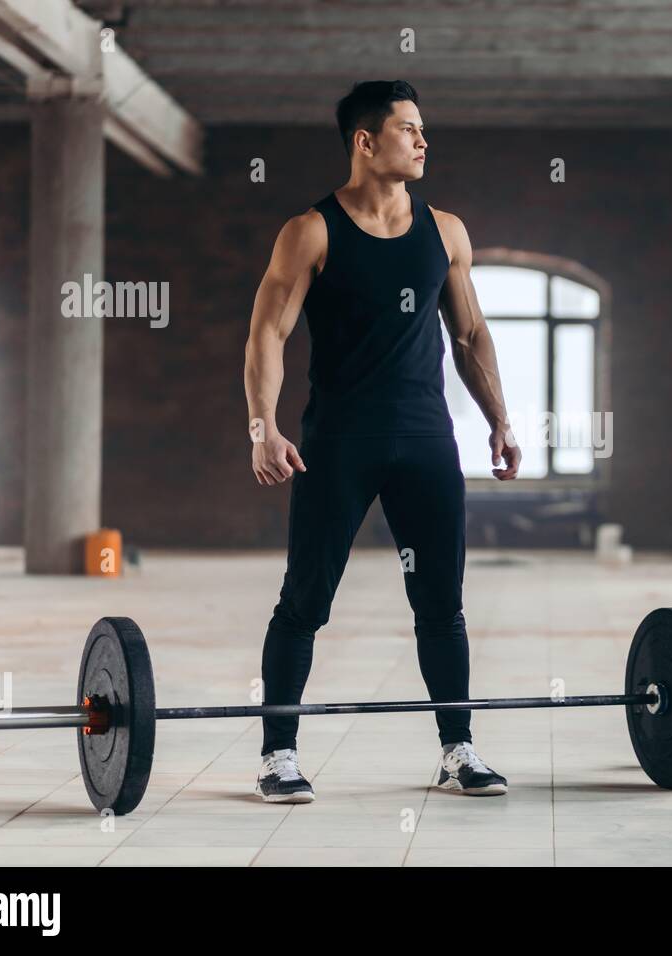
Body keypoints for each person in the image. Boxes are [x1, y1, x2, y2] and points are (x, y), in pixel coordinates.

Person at [243, 80, 520, 802]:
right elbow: (267, 333)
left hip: (428, 438)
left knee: (442, 602)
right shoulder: (311, 231)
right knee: (305, 600)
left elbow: (469, 334)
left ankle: (458, 749)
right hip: (338, 439)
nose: (425, 140)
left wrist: (499, 418)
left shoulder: (446, 231)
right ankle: (279, 755)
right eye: (409, 129)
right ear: (366, 142)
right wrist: (262, 426)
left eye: (425, 129)